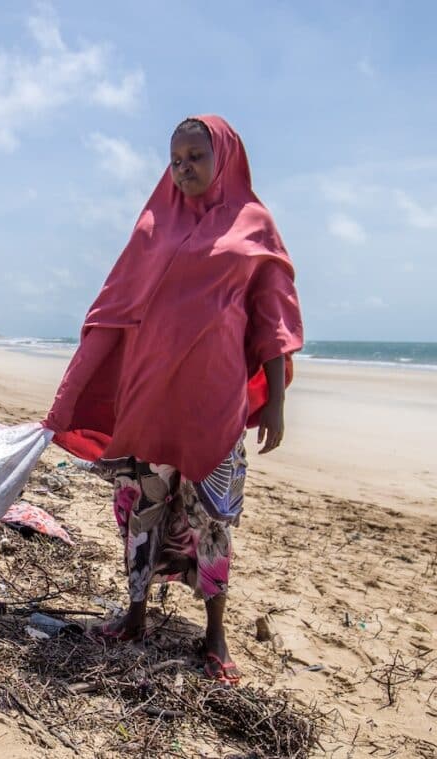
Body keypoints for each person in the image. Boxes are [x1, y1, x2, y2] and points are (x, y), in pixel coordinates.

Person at [45, 116, 303, 685]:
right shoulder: (153, 223)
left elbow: (272, 321)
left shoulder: (253, 225)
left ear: (226, 160)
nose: (183, 168)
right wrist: (73, 394)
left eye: (195, 157)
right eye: (175, 158)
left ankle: (215, 633)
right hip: (148, 395)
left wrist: (277, 402)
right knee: (143, 507)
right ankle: (135, 614)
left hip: (214, 403)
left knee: (214, 517)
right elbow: (113, 307)